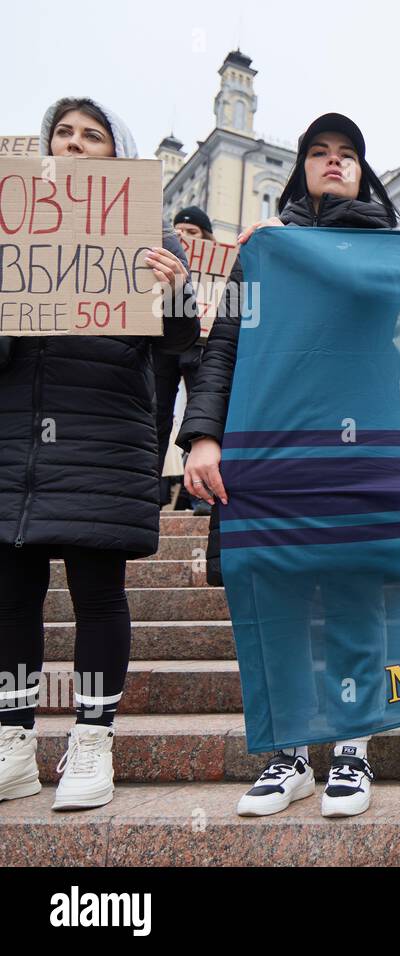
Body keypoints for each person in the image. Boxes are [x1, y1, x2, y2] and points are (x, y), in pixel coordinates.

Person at [179, 112, 400, 819]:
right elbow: (222, 347)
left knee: (352, 593)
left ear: (364, 171)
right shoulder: (264, 252)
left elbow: (383, 302)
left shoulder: (387, 247)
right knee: (272, 595)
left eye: (347, 154)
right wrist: (204, 438)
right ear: (300, 168)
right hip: (268, 445)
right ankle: (287, 757)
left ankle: (350, 751)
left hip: (356, 443)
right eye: (319, 153)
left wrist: (319, 238)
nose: (333, 162)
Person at [0, 98, 199, 809]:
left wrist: (176, 296)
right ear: (46, 145)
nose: (77, 145)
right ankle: (13, 742)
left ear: (118, 155)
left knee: (97, 594)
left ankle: (92, 739)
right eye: (65, 133)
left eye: (93, 135)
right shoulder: (10, 228)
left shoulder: (151, 238)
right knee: (11, 599)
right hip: (15, 438)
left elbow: (180, 347)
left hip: (103, 435)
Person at [155, 206, 214, 514]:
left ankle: (202, 495)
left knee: (200, 416)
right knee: (157, 413)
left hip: (200, 348)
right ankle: (149, 491)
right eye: (179, 230)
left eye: (193, 233)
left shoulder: (218, 266)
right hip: (165, 344)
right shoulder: (163, 250)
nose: (184, 236)